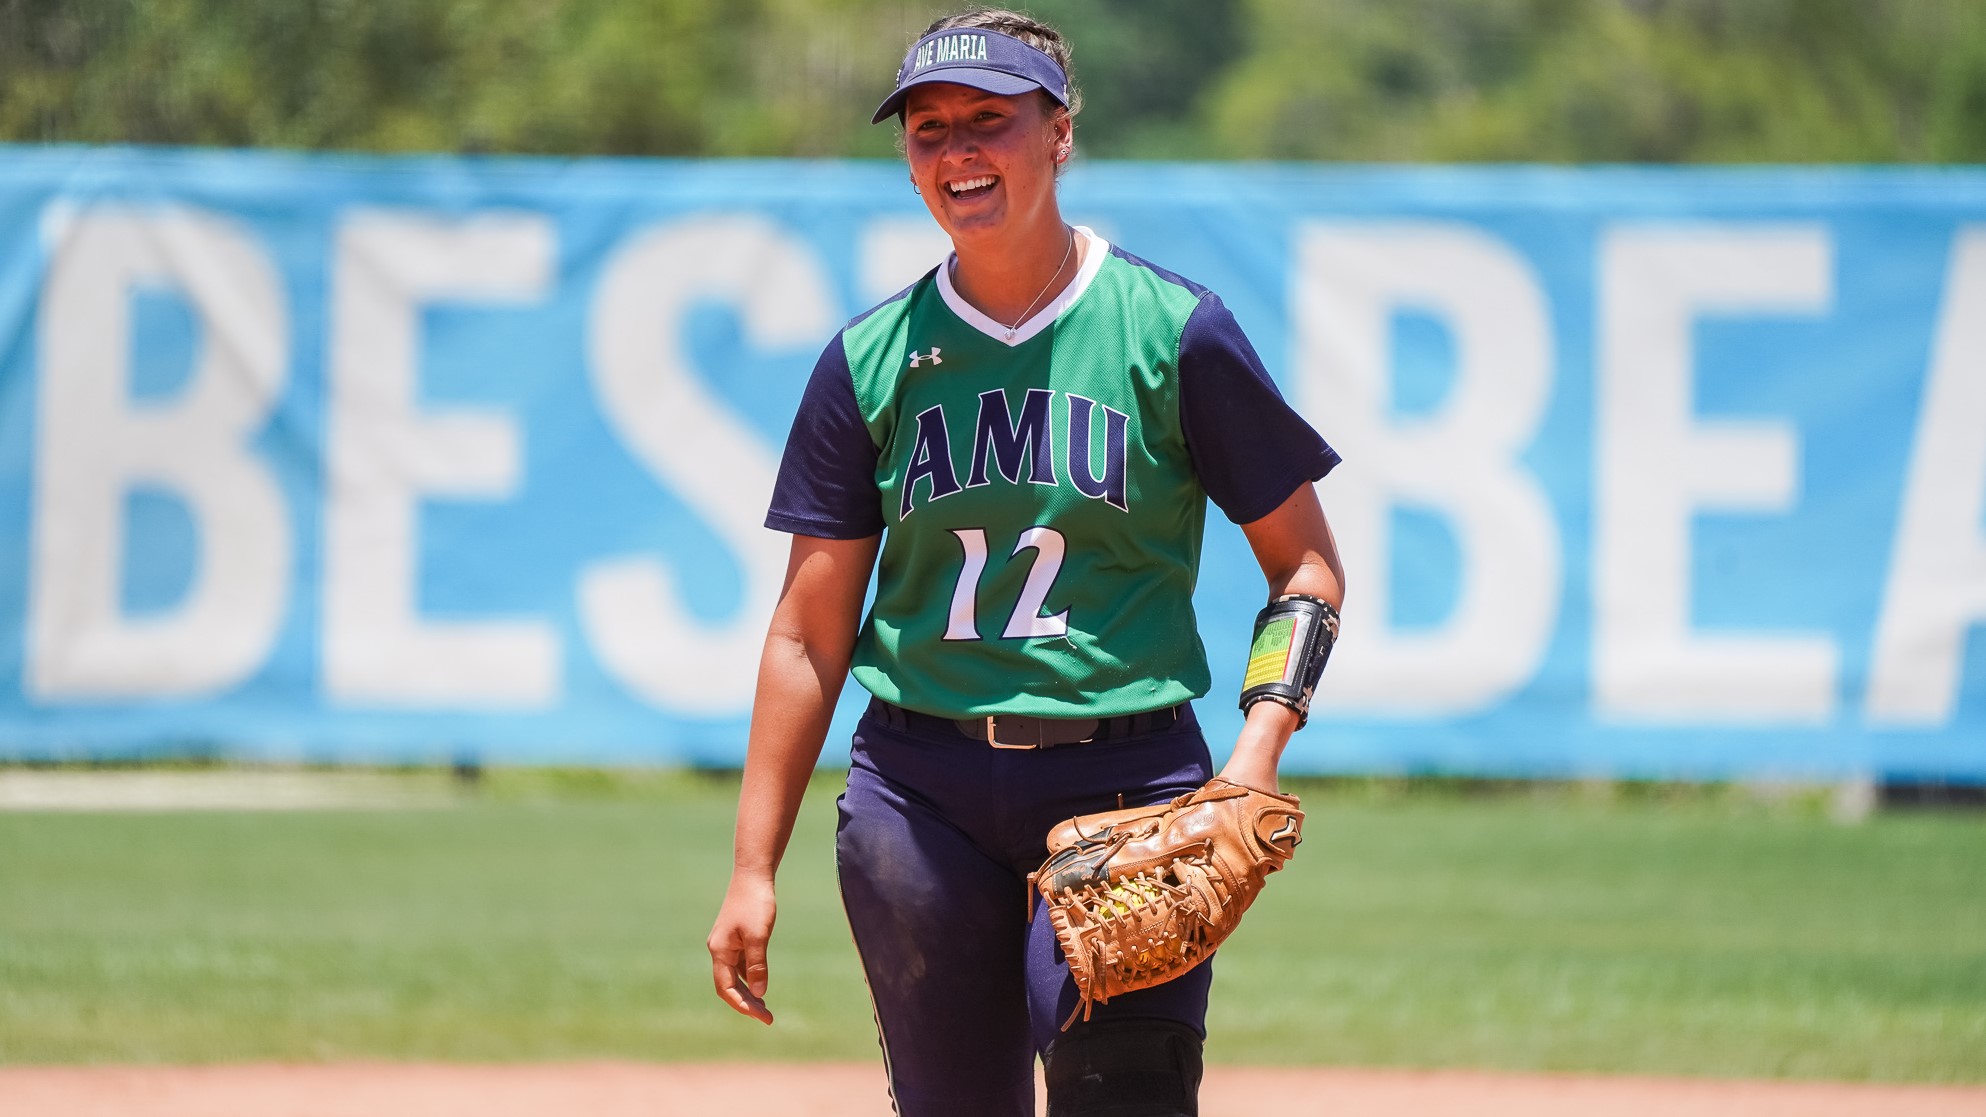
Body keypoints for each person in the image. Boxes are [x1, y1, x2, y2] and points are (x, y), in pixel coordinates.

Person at [706, 9, 1346, 1116]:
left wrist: (1254, 758)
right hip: (919, 795)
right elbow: (808, 636)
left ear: (1059, 133)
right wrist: (752, 866)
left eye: (989, 120)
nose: (957, 151)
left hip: (1129, 789)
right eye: (929, 130)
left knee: (1125, 1096)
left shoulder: (1173, 331)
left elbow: (1306, 570)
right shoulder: (870, 360)